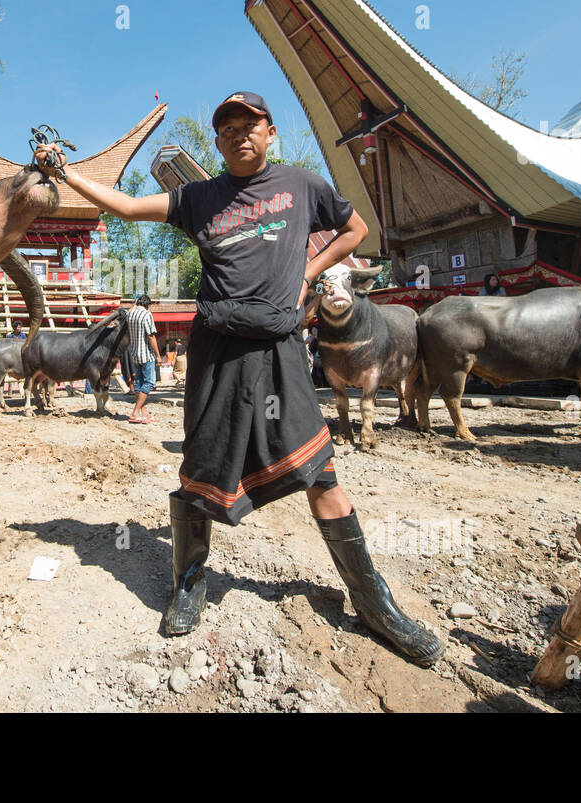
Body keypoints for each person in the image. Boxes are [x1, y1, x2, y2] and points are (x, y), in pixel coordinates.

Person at [32, 90, 443, 667]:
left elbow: (356, 230)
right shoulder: (199, 197)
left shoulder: (302, 185)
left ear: (270, 132)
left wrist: (308, 271)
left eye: (249, 125)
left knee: (320, 472)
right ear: (218, 141)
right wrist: (68, 172)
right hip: (217, 350)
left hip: (278, 350)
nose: (237, 134)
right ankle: (190, 584)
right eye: (226, 128)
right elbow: (124, 207)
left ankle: (375, 604)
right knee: (202, 468)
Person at [124, 295, 160, 423]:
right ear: (148, 304)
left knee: (139, 383)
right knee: (150, 383)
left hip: (134, 354)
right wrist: (158, 356)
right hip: (146, 355)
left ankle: (144, 412)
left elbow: (127, 312)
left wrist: (134, 304)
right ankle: (135, 412)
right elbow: (151, 336)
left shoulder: (130, 314)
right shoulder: (146, 315)